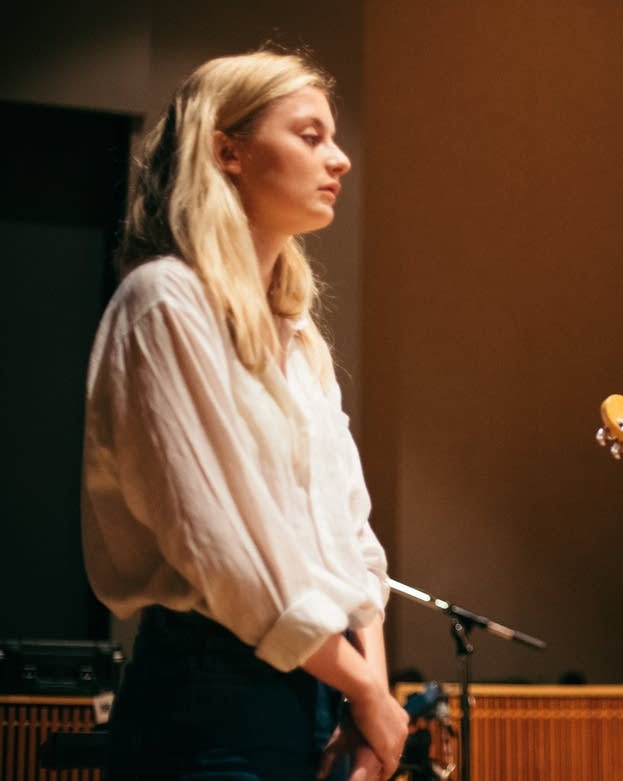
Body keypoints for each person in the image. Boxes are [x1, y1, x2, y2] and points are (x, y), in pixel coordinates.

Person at [81, 50, 410, 780]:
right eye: (311, 135)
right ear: (227, 151)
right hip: (213, 693)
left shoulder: (299, 340)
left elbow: (353, 539)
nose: (341, 158)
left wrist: (371, 698)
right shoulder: (165, 303)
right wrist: (364, 690)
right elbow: (223, 550)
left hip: (325, 685)